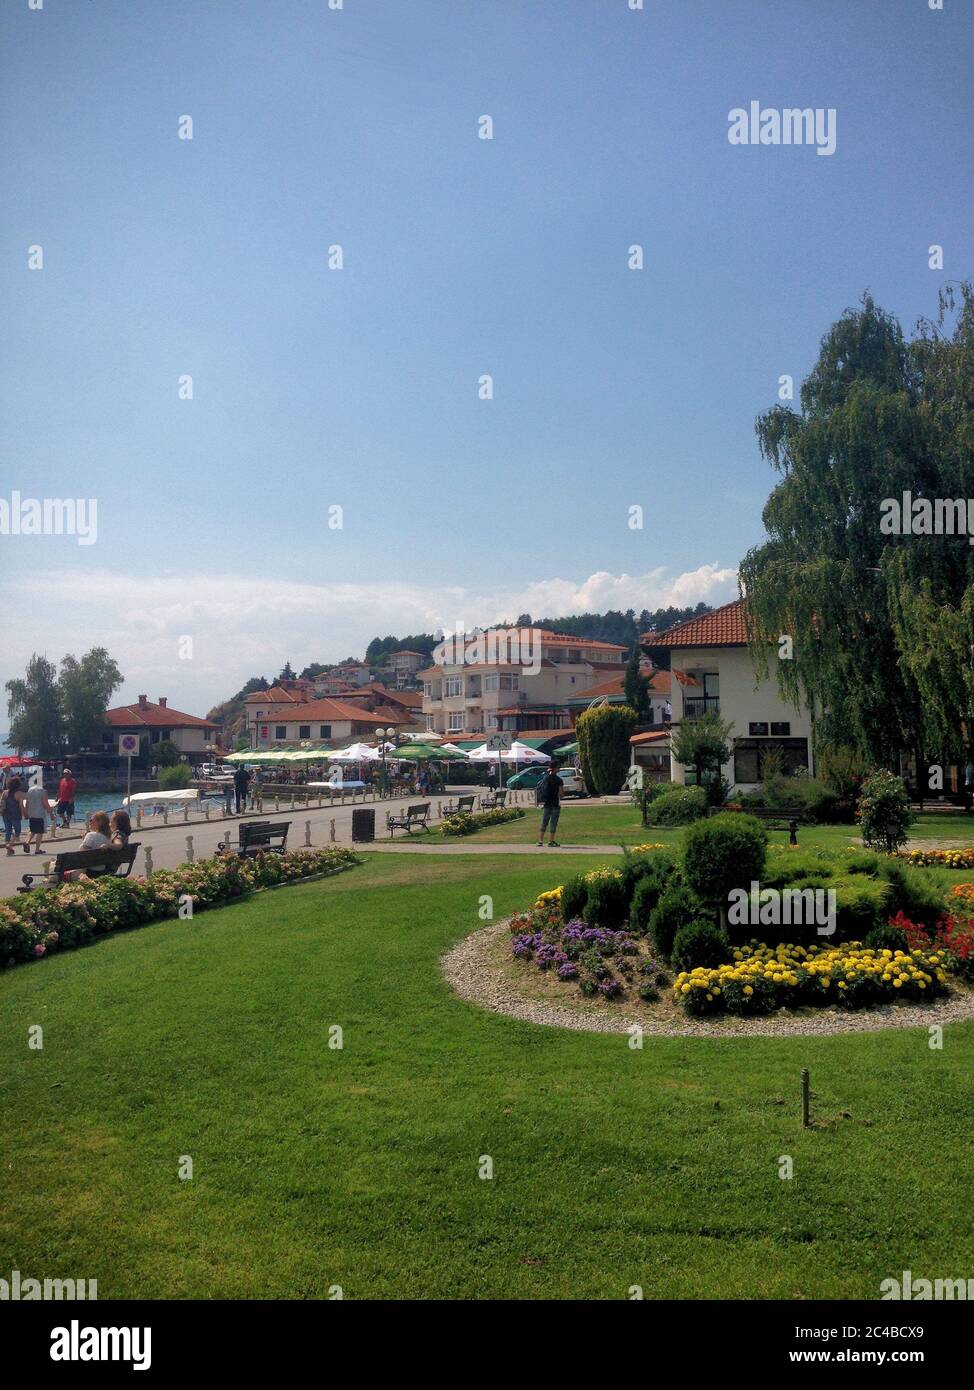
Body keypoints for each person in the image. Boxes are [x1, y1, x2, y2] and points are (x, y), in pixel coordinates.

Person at [536, 764, 563, 847]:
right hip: (555, 803)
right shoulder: (559, 780)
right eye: (558, 767)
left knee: (544, 822)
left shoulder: (545, 778)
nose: (559, 769)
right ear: (555, 769)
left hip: (547, 803)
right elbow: (561, 794)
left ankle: (540, 841)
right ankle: (551, 841)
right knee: (553, 823)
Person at [25, 779, 55, 854]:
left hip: (31, 813)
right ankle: (37, 850)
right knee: (39, 832)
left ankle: (27, 842)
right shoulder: (43, 791)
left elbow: (27, 803)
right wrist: (51, 814)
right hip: (40, 814)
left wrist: (26, 812)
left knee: (32, 830)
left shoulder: (29, 790)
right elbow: (46, 804)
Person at [2, 777, 28, 855]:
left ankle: (9, 850)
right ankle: (9, 845)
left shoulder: (5, 792)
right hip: (15, 815)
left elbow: (2, 803)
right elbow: (21, 806)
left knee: (8, 831)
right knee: (18, 831)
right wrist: (25, 814)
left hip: (5, 814)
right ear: (18, 785)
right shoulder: (18, 793)